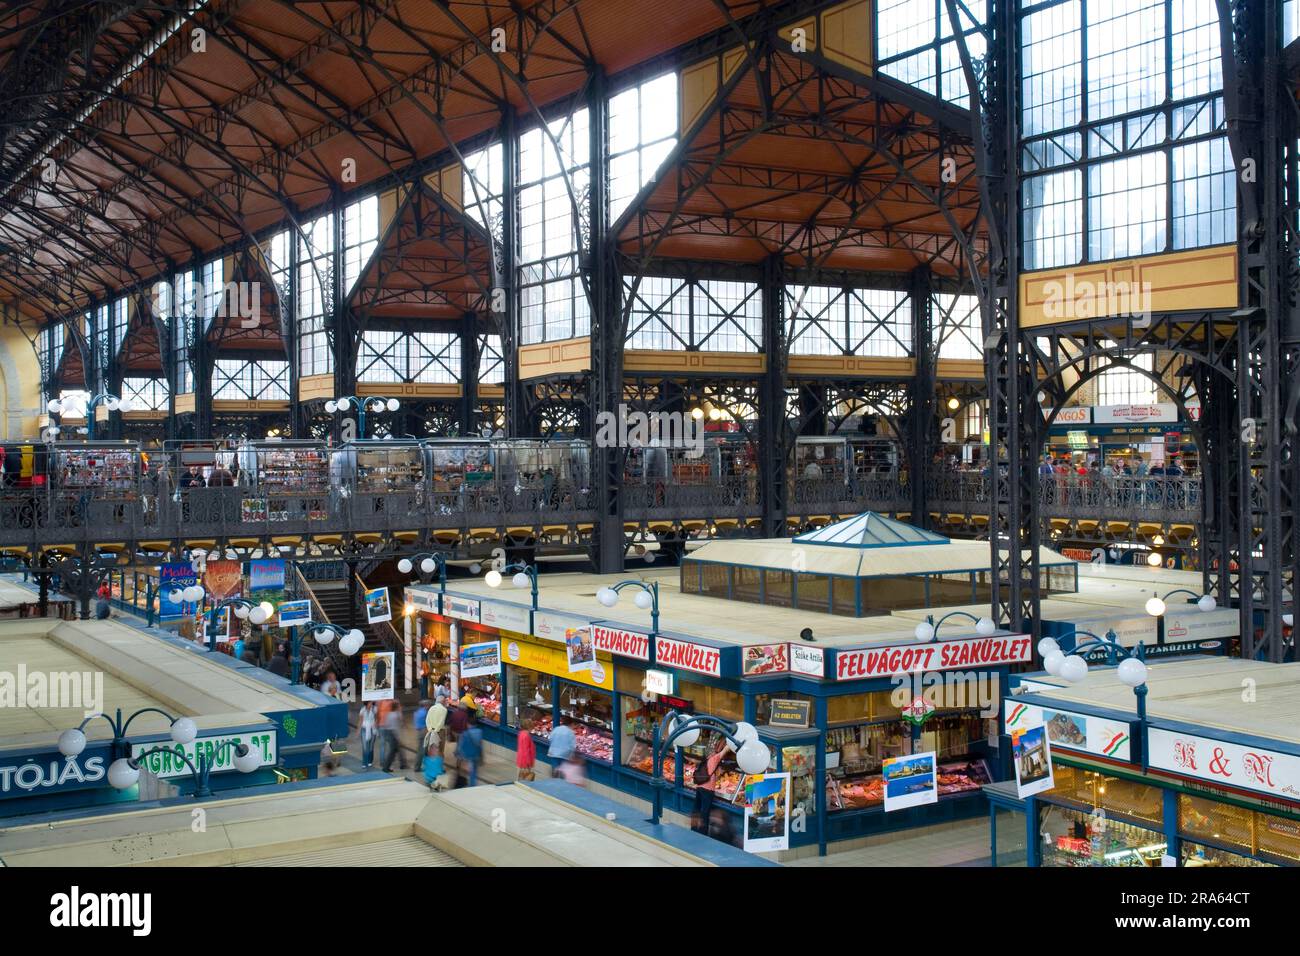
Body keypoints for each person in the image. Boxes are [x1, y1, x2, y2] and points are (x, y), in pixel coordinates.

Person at [691, 737, 729, 835]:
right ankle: (703, 832)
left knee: (697, 809)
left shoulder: (707, 758)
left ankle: (693, 828)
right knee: (705, 812)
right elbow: (726, 750)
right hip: (708, 789)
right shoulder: (715, 758)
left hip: (699, 786)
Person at [456, 712, 484, 786]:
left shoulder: (465, 734)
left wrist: (459, 755)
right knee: (474, 771)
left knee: (467, 771)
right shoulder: (480, 732)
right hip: (476, 755)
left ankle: (471, 785)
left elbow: (461, 746)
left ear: (468, 724)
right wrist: (481, 756)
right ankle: (473, 783)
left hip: (468, 756)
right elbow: (480, 745)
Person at [381, 699, 407, 772]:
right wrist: (398, 737)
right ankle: (386, 767)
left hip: (389, 732)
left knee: (396, 749)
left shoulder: (389, 714)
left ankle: (402, 764)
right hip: (394, 734)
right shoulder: (396, 714)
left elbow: (386, 724)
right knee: (393, 751)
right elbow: (399, 725)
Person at [359, 700, 378, 768]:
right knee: (365, 747)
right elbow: (360, 721)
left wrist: (376, 723)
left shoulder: (374, 709)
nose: (371, 704)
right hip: (364, 729)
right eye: (370, 703)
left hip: (372, 729)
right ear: (366, 704)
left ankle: (370, 761)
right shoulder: (362, 710)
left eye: (371, 702)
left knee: (371, 747)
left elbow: (376, 718)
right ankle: (364, 762)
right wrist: (358, 730)